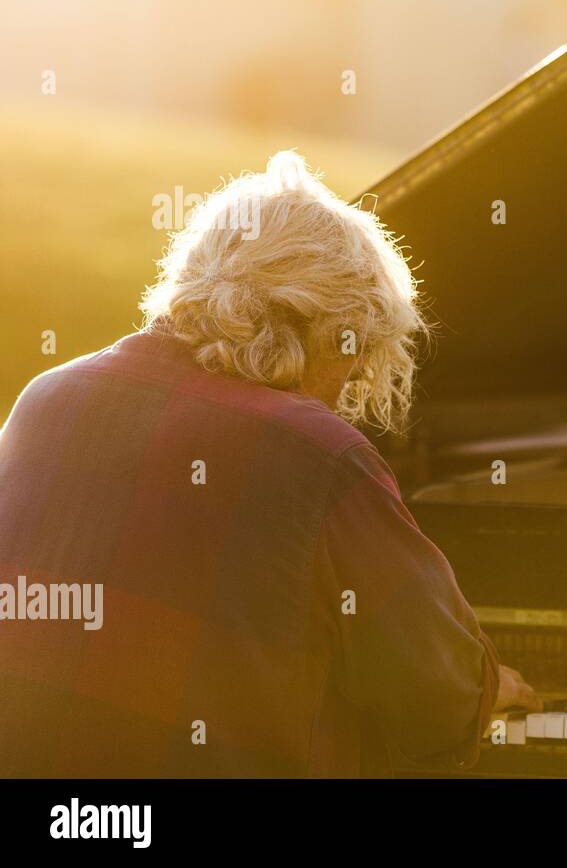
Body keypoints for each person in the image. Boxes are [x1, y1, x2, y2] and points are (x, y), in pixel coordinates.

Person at [0, 151, 538, 776]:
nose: (356, 378)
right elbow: (434, 698)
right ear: (323, 325)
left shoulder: (46, 398)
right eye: (357, 351)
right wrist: (486, 689)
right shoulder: (317, 454)